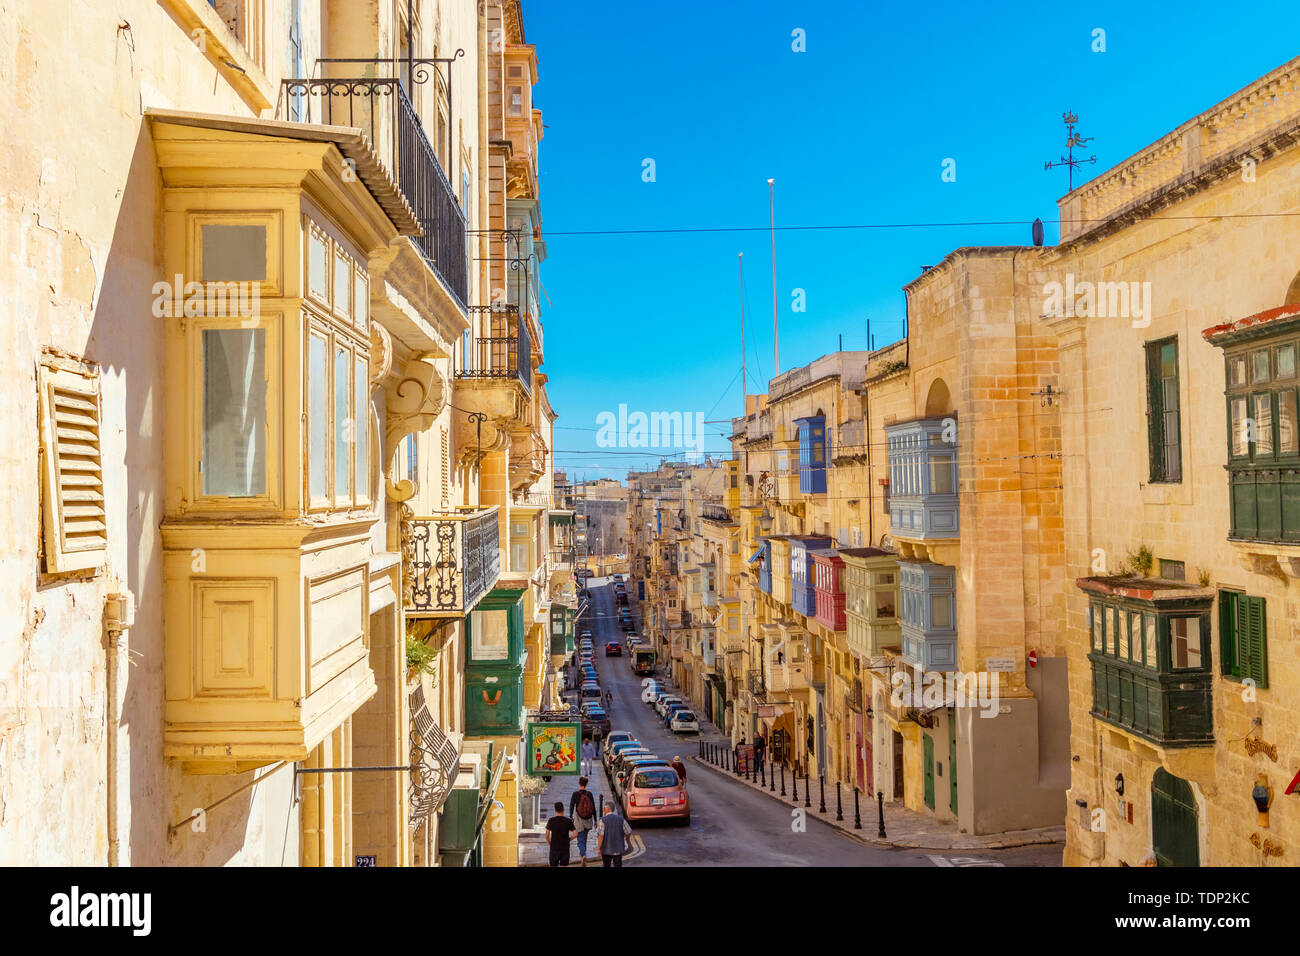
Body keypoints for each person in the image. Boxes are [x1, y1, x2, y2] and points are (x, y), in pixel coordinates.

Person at [569, 776, 598, 866]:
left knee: (580, 839)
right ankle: (583, 855)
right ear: (586, 784)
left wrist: (571, 817)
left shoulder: (575, 794)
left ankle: (583, 855)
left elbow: (571, 806)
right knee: (584, 837)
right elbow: (593, 808)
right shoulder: (589, 794)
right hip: (588, 820)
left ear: (579, 783)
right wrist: (596, 820)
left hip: (579, 819)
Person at [596, 803, 633, 867]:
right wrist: (627, 839)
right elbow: (628, 831)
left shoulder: (603, 820)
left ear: (608, 809)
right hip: (618, 849)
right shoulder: (621, 819)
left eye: (604, 809)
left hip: (606, 850)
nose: (603, 810)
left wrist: (599, 849)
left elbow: (600, 836)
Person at [545, 801, 575, 867]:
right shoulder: (568, 821)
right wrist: (569, 839)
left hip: (554, 848)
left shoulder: (551, 820)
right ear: (563, 809)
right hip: (565, 848)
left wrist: (550, 843)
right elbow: (575, 833)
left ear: (555, 810)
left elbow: (547, 835)